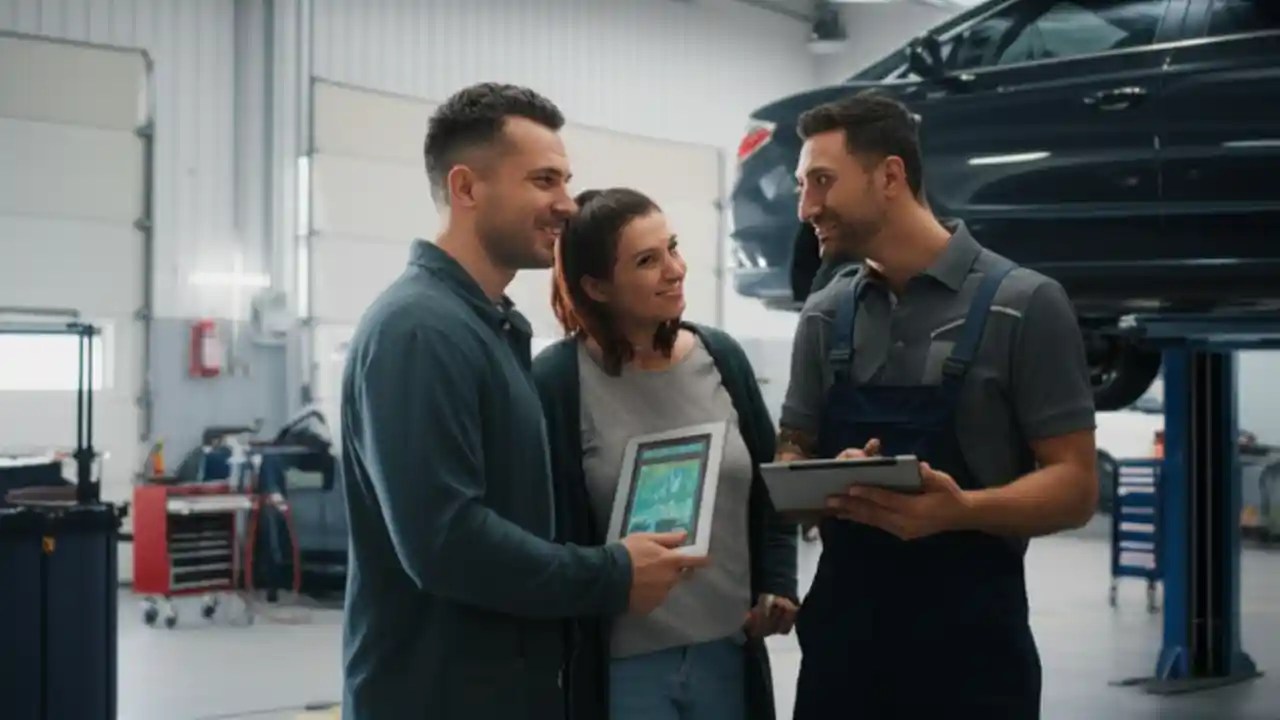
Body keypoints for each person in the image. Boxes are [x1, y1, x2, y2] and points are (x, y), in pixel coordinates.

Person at [338, 84, 709, 720]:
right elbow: (446, 542)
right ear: (467, 188)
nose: (567, 205)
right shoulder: (420, 331)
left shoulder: (488, 326)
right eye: (543, 181)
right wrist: (611, 575)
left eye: (566, 181)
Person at [778, 91, 1099, 719]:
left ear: (890, 176)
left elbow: (1076, 485)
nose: (806, 206)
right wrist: (821, 480)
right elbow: (790, 456)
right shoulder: (823, 315)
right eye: (801, 185)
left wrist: (960, 511)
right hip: (842, 662)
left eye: (821, 181)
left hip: (973, 666)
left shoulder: (1026, 304)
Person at [532, 187, 799, 720]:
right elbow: (546, 532)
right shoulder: (557, 381)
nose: (675, 269)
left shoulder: (720, 356)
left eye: (673, 248)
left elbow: (771, 486)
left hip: (727, 648)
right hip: (621, 666)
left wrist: (778, 582)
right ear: (597, 286)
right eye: (647, 261)